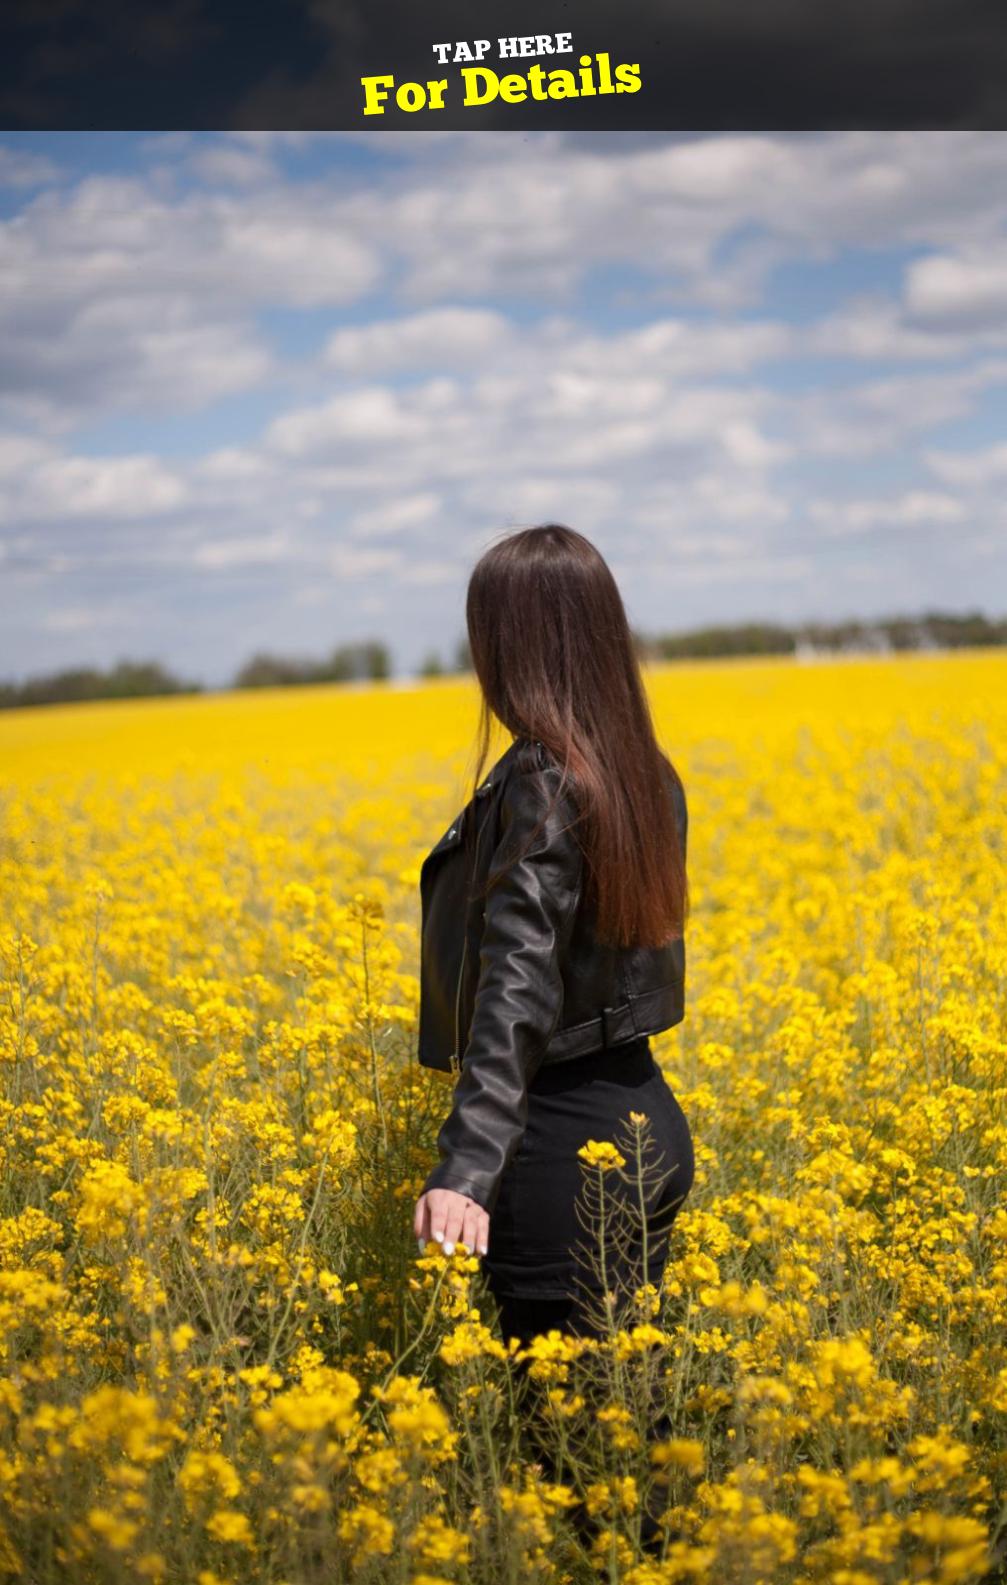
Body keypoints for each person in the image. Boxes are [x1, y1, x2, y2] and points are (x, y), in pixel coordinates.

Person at [412, 523, 694, 1514]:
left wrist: (465, 1166)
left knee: (570, 1467)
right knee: (631, 1428)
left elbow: (516, 985)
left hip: (559, 1154)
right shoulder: (638, 771)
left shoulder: (541, 775)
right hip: (641, 1124)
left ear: (517, 645)